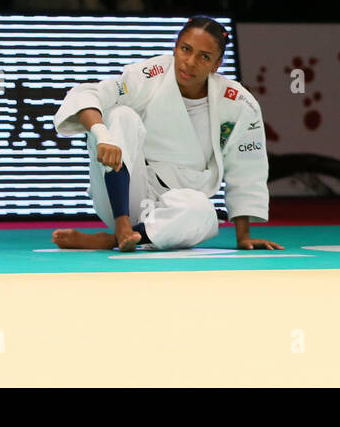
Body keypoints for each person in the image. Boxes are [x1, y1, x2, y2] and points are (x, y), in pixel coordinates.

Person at [50, 16, 281, 253]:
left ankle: (115, 239)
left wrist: (243, 237)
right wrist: (103, 135)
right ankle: (121, 226)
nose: (190, 62)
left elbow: (246, 167)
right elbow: (88, 93)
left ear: (216, 65)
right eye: (185, 50)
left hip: (176, 208)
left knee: (204, 212)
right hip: (125, 193)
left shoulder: (238, 103)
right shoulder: (152, 75)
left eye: (204, 57)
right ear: (175, 48)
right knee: (120, 115)